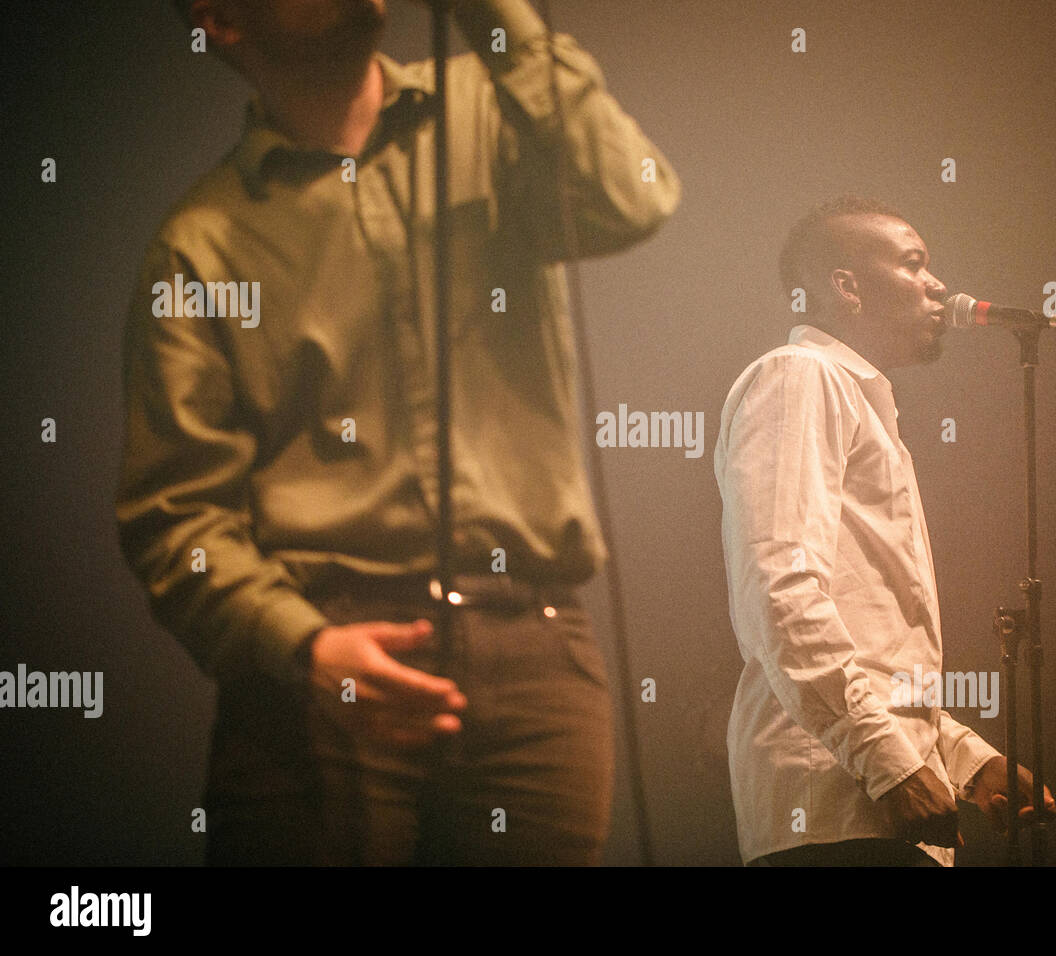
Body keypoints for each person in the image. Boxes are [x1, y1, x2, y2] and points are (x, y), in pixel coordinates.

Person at [115, 0, 679, 865]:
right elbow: (177, 520)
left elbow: (633, 199)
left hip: (536, 648)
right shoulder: (201, 247)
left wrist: (503, 18)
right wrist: (303, 647)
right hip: (322, 671)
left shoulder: (493, 111)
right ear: (223, 20)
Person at [713, 195, 1055, 866]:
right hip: (834, 812)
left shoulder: (856, 401)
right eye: (913, 263)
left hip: (871, 800)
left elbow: (873, 648)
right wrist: (887, 763)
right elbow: (779, 586)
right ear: (846, 287)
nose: (938, 285)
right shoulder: (799, 378)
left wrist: (964, 759)